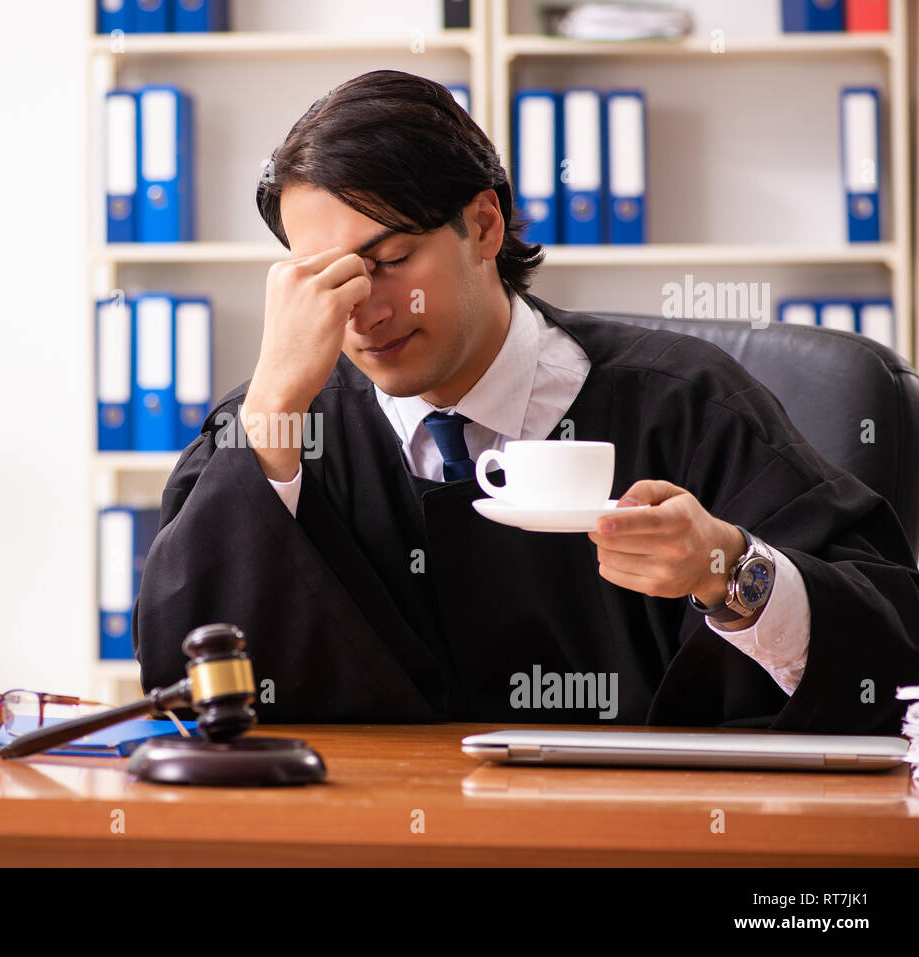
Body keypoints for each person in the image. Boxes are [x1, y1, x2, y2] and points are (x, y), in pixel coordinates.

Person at [133, 69, 919, 732]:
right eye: (325, 278)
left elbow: (894, 653)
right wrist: (271, 409)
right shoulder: (273, 428)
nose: (363, 310)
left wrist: (730, 571)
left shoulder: (686, 405)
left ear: (483, 224)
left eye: (390, 259)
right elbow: (178, 681)